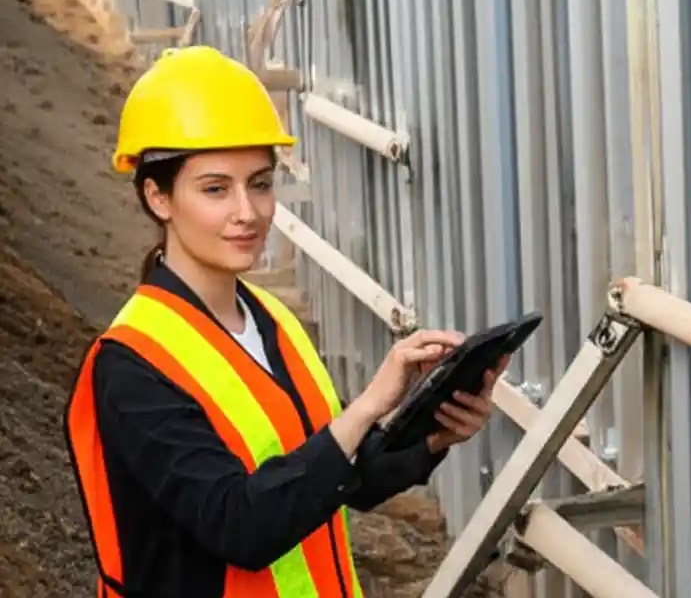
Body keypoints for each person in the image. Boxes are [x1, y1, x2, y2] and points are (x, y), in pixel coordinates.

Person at [63, 45, 506, 598]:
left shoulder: (268, 319)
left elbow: (333, 478)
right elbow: (241, 526)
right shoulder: (131, 365)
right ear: (158, 197)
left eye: (261, 183)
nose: (247, 212)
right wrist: (368, 405)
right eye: (215, 189)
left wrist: (432, 438)